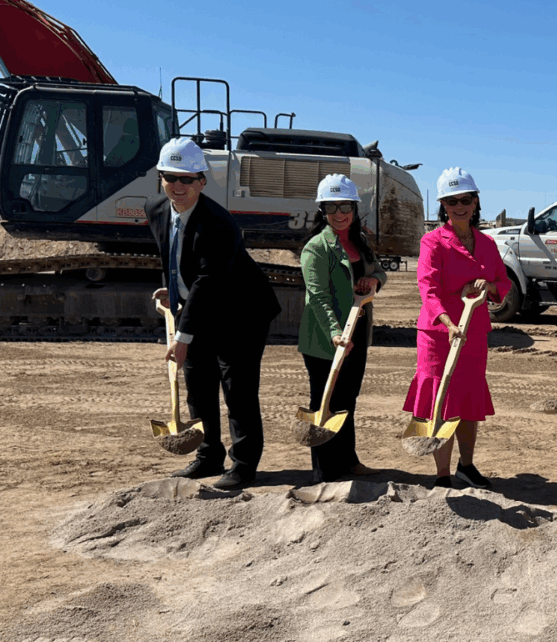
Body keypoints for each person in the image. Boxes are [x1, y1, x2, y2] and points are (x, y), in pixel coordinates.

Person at [147, 137, 281, 489]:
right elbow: (175, 255)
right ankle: (207, 457)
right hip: (202, 305)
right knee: (198, 385)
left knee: (237, 388)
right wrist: (173, 288)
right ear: (161, 178)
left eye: (187, 179)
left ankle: (243, 465)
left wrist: (181, 337)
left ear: (201, 182)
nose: (178, 185)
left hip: (242, 312)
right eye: (170, 177)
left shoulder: (219, 223)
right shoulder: (157, 208)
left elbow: (210, 280)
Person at [404, 168, 510, 489]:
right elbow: (428, 288)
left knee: (467, 401)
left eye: (465, 199)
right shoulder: (433, 242)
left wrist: (488, 285)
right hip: (439, 335)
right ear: (443, 205)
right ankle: (442, 475)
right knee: (441, 402)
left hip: (473, 332)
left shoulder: (487, 244)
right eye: (452, 201)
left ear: (476, 202)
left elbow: (502, 284)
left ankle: (466, 466)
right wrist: (448, 322)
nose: (459, 206)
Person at [298, 174, 388, 483]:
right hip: (326, 338)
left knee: (347, 400)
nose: (339, 213)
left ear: (354, 207)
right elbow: (318, 297)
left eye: (345, 205)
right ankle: (324, 472)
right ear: (322, 210)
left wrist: (373, 280)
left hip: (358, 334)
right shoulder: (315, 248)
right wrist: (336, 333)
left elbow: (378, 271)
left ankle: (348, 461)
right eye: (332, 206)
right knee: (324, 403)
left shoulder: (359, 241)